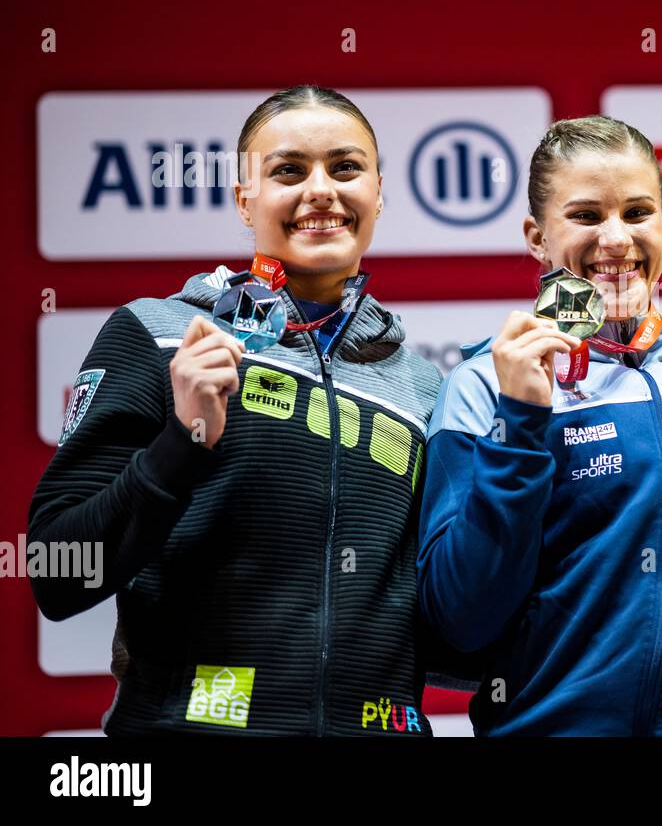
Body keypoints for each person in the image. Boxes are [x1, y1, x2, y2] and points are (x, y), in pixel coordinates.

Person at [29, 85, 443, 735]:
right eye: (287, 170)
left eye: (345, 167)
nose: (321, 190)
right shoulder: (159, 334)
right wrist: (181, 444)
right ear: (243, 198)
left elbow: (450, 617)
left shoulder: (424, 388)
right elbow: (57, 574)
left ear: (379, 193)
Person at [418, 115, 662, 736]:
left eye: (638, 212)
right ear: (537, 237)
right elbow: (461, 617)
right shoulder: (482, 386)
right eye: (586, 216)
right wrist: (523, 421)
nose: (617, 239)